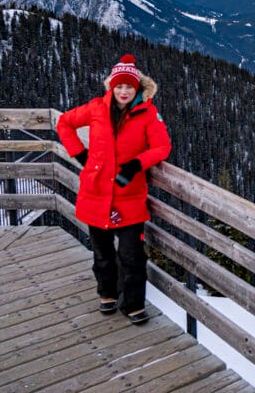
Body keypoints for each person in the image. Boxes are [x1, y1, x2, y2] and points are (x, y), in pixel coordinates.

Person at [56, 54, 171, 325]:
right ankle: (107, 293)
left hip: (129, 195)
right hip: (95, 193)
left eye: (129, 86)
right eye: (119, 86)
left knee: (132, 255)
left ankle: (133, 304)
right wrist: (80, 154)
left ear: (138, 87)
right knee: (102, 253)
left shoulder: (148, 113)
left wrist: (136, 165)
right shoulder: (96, 108)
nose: (123, 91)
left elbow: (162, 147)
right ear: (111, 86)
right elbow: (64, 123)